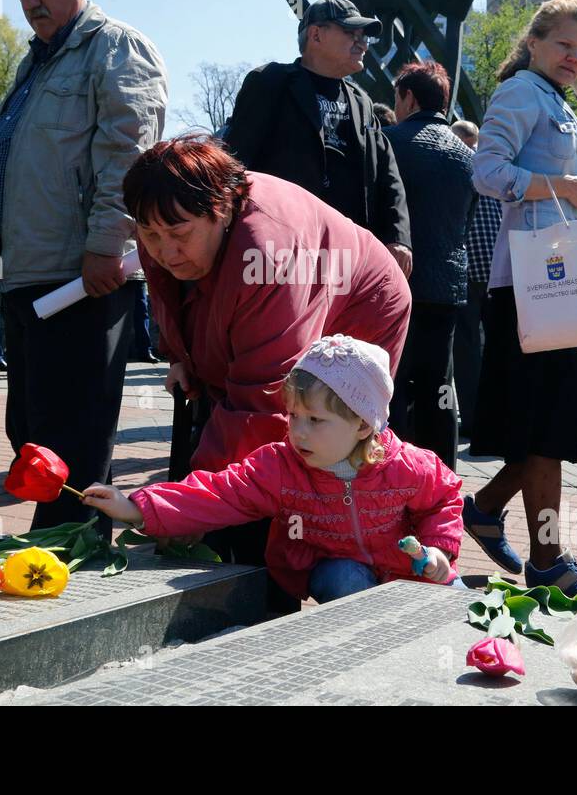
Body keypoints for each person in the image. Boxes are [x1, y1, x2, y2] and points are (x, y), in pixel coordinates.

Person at [124, 135, 411, 608]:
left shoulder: (270, 252)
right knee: (241, 458)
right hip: (254, 292)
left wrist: (177, 509)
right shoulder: (164, 220)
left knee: (312, 437)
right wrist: (178, 355)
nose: (165, 251)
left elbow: (263, 405)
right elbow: (163, 287)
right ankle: (243, 562)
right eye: (151, 237)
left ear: (221, 207)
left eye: (179, 235)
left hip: (359, 304)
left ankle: (325, 579)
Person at [0, 0, 168, 533]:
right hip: (29, 271)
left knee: (72, 434)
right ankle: (60, 539)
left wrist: (108, 242)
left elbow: (130, 154)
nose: (30, 0)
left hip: (81, 275)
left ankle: (74, 548)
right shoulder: (38, 59)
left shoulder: (115, 49)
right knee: (30, 430)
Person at [81, 335, 465, 604]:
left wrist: (439, 550)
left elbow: (443, 500)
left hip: (413, 570)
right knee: (343, 579)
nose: (298, 431)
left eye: (315, 420)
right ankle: (366, 643)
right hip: (338, 569)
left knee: (462, 612)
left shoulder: (407, 466)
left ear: (363, 425)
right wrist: (138, 508)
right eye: (294, 415)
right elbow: (219, 493)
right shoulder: (281, 466)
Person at [464, 0, 577, 599]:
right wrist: (555, 185)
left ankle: (485, 511)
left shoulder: (557, 101)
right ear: (533, 42)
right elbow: (485, 171)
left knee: (552, 422)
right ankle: (547, 560)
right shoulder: (518, 93)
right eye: (564, 44)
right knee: (544, 425)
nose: (574, 56)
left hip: (561, 281)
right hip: (529, 284)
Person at [222, 0, 412, 276]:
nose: (362, 43)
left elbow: (387, 175)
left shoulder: (362, 102)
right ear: (316, 34)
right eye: (351, 33)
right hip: (282, 253)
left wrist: (398, 237)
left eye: (364, 37)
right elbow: (235, 163)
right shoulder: (271, 82)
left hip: (348, 258)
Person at [383, 61, 473, 470]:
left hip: (395, 285)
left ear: (408, 98)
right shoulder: (466, 155)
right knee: (440, 388)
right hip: (447, 286)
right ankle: (441, 479)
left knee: (391, 387)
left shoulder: (386, 142)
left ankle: (391, 477)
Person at [450, 119, 500, 439]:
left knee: (467, 350)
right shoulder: (494, 171)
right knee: (496, 348)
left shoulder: (458, 168)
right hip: (498, 272)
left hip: (469, 273)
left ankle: (473, 418)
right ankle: (497, 419)